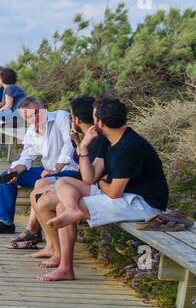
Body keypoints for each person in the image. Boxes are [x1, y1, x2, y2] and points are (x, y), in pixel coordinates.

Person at [41, 97, 169, 283]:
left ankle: (65, 268)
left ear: (100, 122)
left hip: (143, 204)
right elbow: (89, 178)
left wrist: (101, 184)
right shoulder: (111, 140)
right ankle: (72, 210)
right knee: (64, 182)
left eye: (94, 118)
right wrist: (83, 147)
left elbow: (114, 192)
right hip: (124, 195)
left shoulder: (129, 146)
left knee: (60, 208)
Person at [23, 96, 97, 266]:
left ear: (76, 119)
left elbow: (89, 177)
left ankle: (57, 252)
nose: (69, 119)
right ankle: (51, 246)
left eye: (71, 117)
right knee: (40, 187)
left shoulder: (93, 138)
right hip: (80, 178)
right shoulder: (83, 136)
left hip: (78, 177)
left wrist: (58, 169)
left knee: (48, 197)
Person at [0, 93, 65, 235]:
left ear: (43, 107)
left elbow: (69, 145)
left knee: (43, 180)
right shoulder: (32, 131)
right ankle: (6, 222)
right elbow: (26, 157)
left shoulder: (60, 117)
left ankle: (32, 232)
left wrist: (57, 168)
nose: (35, 118)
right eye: (29, 117)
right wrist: (16, 169)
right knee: (7, 176)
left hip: (66, 170)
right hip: (47, 170)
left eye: (37, 113)